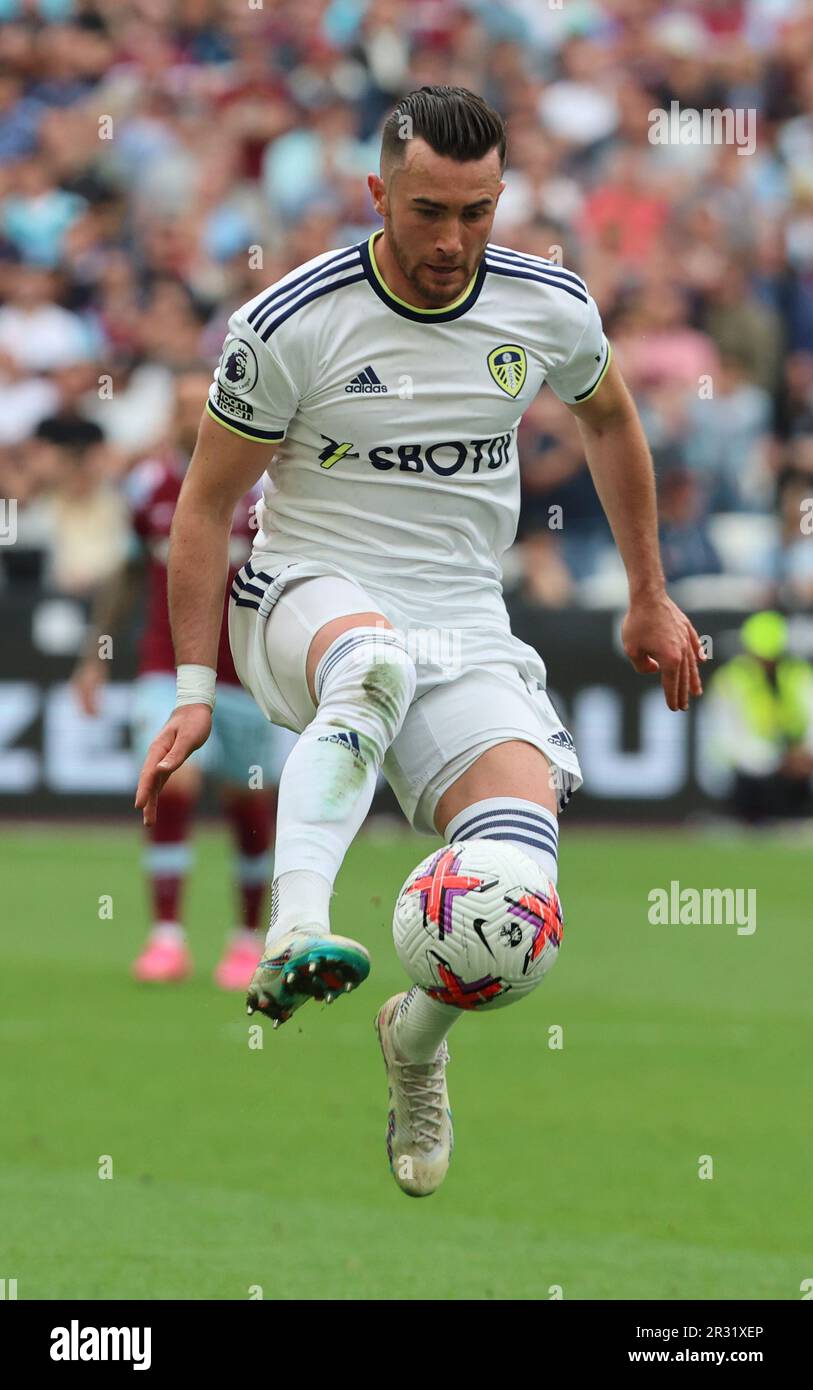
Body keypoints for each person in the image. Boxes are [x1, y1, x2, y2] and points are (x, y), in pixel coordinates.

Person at [135, 87, 704, 1197]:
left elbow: (609, 418)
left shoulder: (547, 305)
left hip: (463, 617)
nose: (452, 242)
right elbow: (204, 509)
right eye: (429, 211)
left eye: (478, 213)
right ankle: (294, 930)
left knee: (521, 899)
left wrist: (648, 593)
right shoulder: (290, 322)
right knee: (374, 662)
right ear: (377, 193)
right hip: (303, 589)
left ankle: (417, 1039)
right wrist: (194, 689)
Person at [75, 371, 285, 990]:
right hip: (166, 671)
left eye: (206, 407)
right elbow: (126, 574)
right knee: (177, 780)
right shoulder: (152, 488)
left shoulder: (265, 490)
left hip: (248, 675)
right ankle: (167, 936)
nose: (197, 420)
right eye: (186, 409)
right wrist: (94, 657)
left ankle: (247, 941)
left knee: (251, 801)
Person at [707, 611, 813, 824]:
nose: (767, 662)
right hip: (750, 774)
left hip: (797, 768)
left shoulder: (799, 674)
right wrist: (777, 759)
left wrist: (804, 754)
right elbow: (728, 740)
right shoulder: (730, 680)